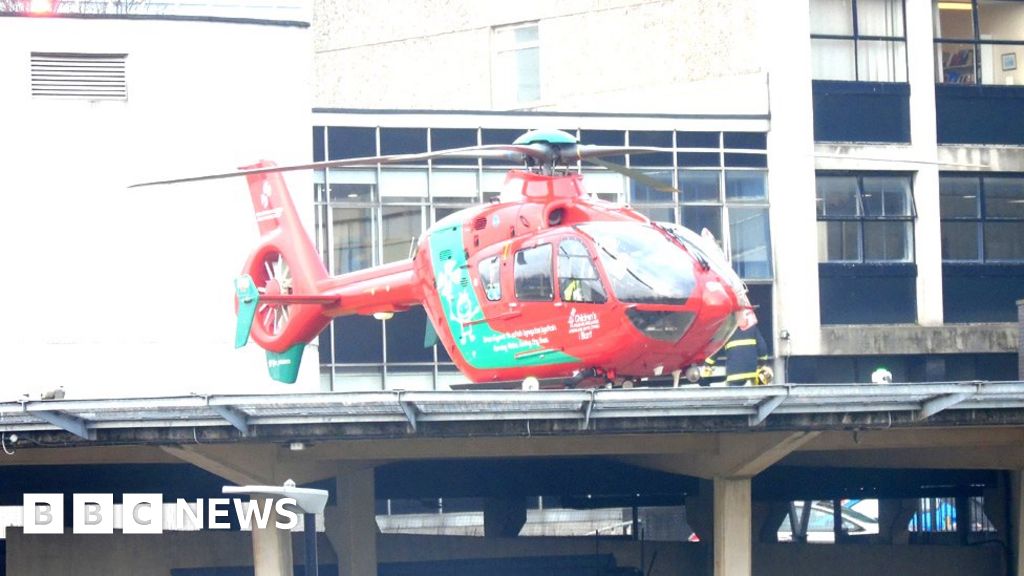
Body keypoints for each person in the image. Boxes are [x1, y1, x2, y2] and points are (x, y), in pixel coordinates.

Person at [704, 308, 770, 387]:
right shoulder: (753, 329)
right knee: (755, 393)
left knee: (735, 394)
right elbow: (762, 347)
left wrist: (708, 364)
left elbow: (716, 349)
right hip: (752, 374)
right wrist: (762, 363)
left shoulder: (727, 330)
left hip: (734, 376)